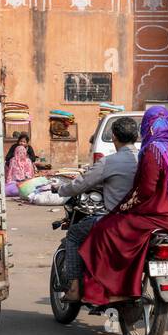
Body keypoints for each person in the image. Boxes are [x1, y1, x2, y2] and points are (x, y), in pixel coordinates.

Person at [79, 106, 168, 305]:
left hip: (157, 215)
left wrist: (125, 206)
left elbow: (145, 190)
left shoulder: (153, 150)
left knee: (104, 230)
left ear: (148, 125)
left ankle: (112, 288)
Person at [54, 116, 139, 302]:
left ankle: (75, 289)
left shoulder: (109, 162)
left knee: (74, 235)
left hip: (115, 220)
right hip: (141, 220)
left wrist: (60, 189)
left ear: (114, 137)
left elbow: (80, 184)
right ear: (136, 136)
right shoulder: (146, 158)